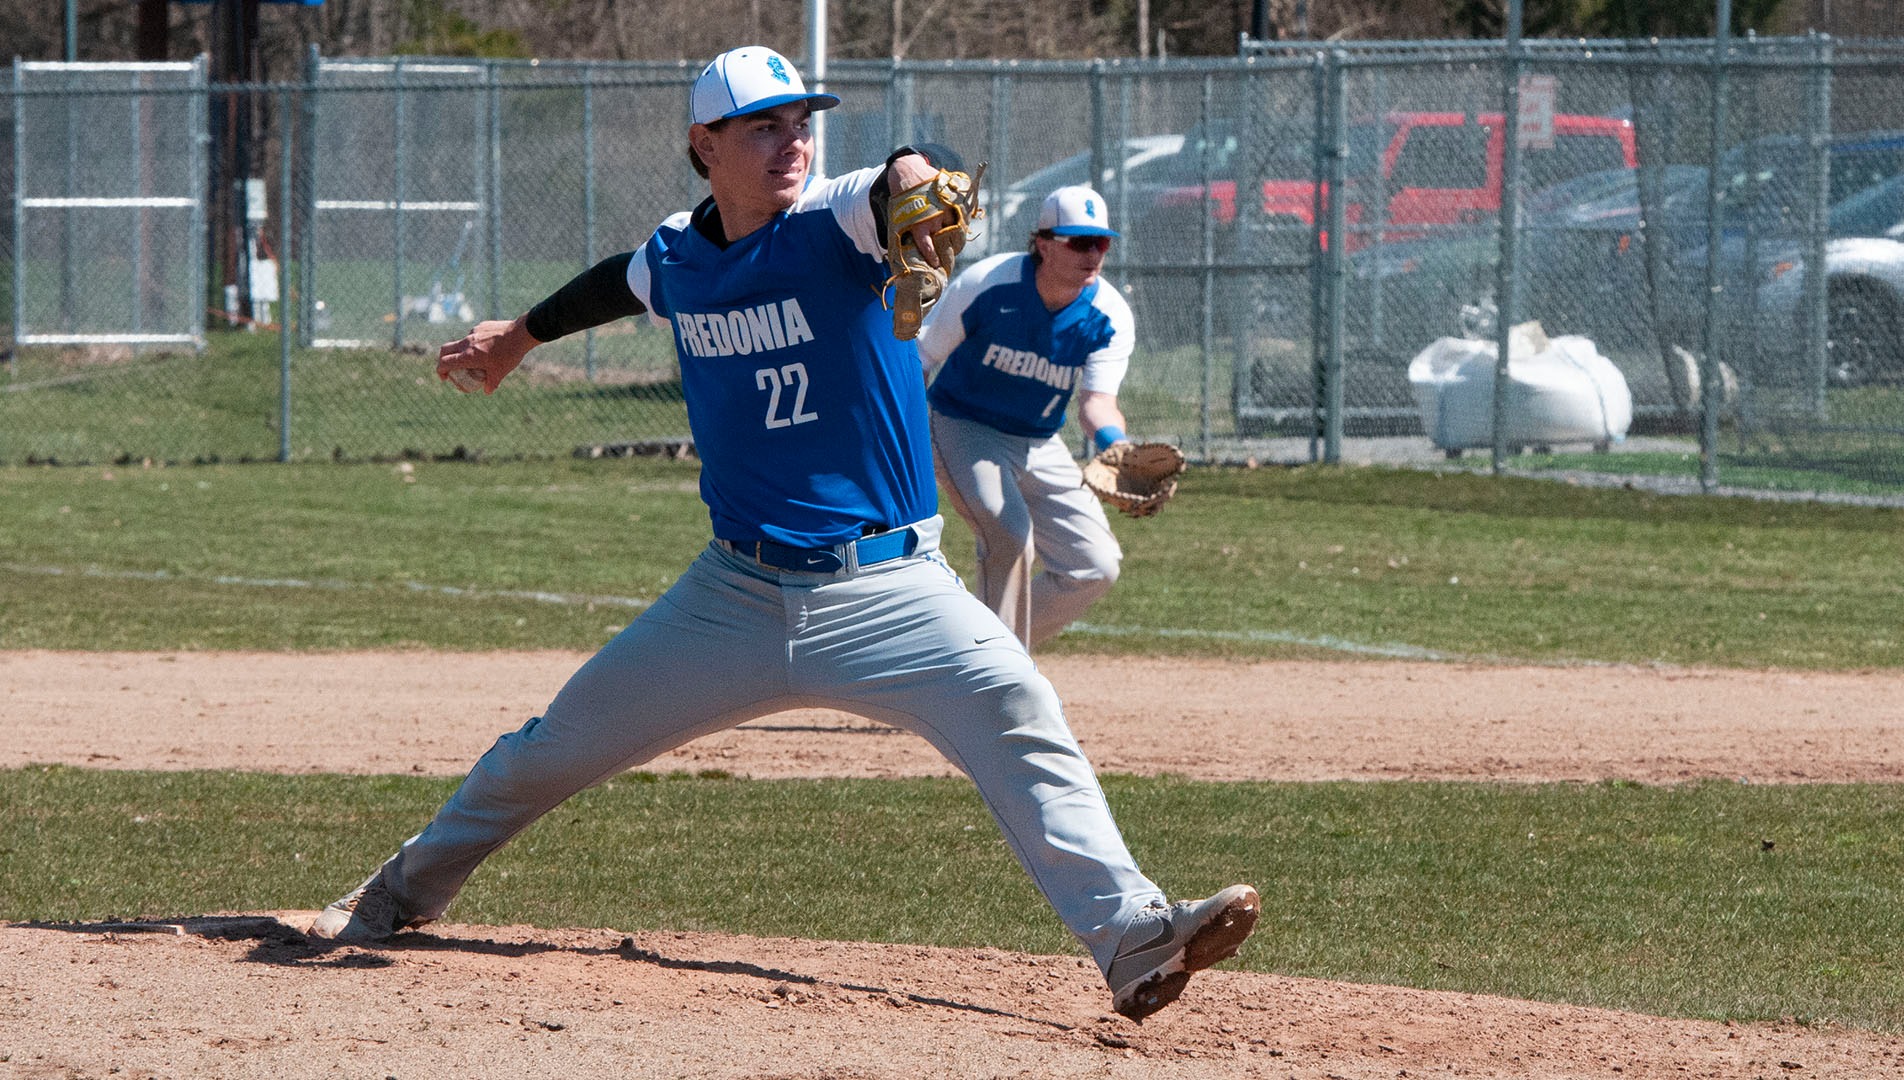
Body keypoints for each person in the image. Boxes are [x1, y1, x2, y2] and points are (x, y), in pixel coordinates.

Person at [306, 45, 1258, 1024]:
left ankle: (1136, 940)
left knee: (1020, 705)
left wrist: (919, 191)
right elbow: (615, 282)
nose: (790, 141)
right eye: (764, 126)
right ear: (703, 145)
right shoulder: (678, 254)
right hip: (734, 598)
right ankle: (400, 890)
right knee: (548, 751)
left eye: (800, 122)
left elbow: (901, 170)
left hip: (892, 588)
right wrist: (517, 338)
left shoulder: (835, 223)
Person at [919, 185, 1139, 649]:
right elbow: (920, 359)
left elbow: (1096, 403)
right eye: (1080, 242)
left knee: (1094, 565)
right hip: (963, 426)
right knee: (1010, 536)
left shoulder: (1108, 314)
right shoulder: (988, 283)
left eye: (1101, 242)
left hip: (1038, 441)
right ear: (1042, 243)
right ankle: (995, 680)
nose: (1093, 254)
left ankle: (979, 657)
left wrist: (1115, 445)